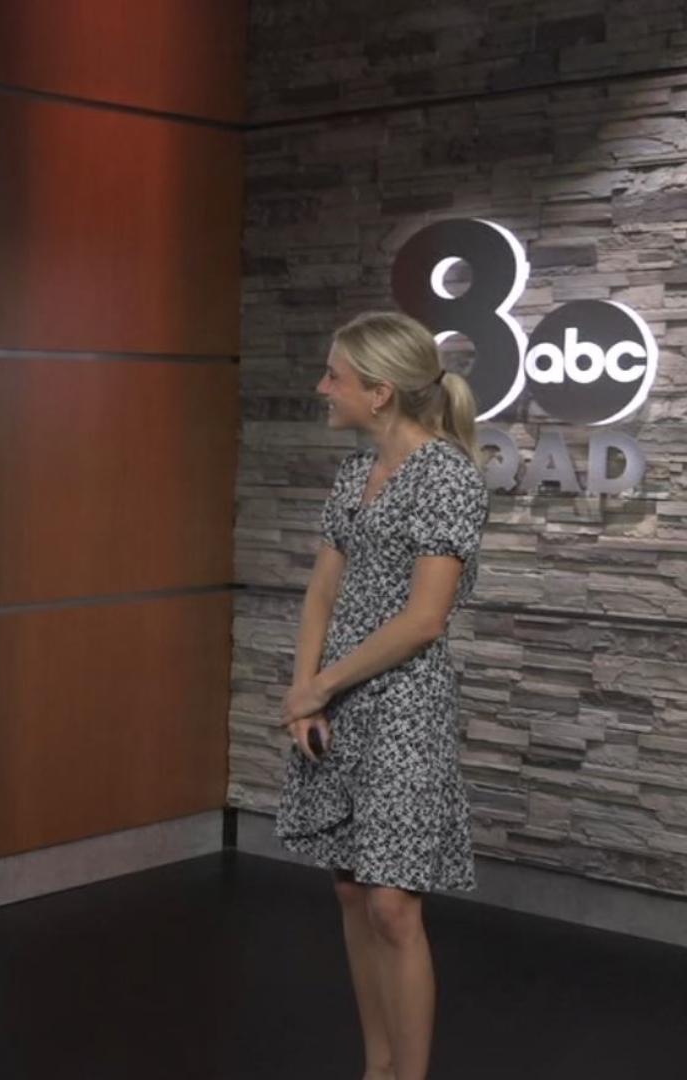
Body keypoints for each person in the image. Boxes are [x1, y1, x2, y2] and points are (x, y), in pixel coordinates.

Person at [275, 311, 489, 1080]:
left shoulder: (450, 477)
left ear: (380, 392)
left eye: (335, 375)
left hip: (403, 708)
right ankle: (379, 1068)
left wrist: (320, 687)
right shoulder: (352, 476)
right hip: (336, 703)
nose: (321, 387)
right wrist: (307, 692)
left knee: (394, 905)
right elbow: (322, 595)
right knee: (351, 892)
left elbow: (424, 620)